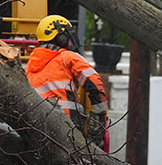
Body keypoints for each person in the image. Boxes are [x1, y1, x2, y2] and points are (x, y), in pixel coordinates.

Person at [25, 14, 109, 150]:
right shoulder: (67, 57)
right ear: (61, 38)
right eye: (68, 37)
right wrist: (99, 121)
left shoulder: (30, 63)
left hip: (34, 126)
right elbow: (95, 84)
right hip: (65, 128)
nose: (71, 42)